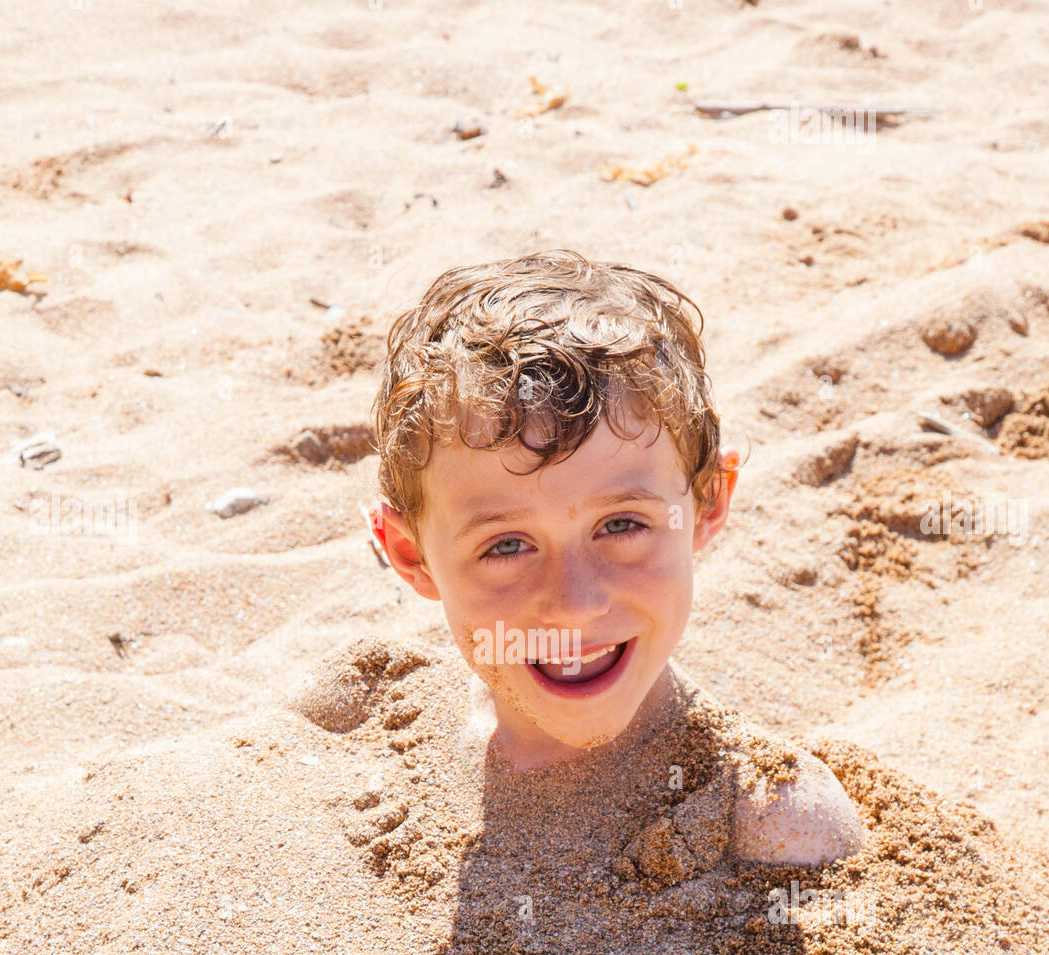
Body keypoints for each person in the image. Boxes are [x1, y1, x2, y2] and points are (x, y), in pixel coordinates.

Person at [367, 249, 862, 867]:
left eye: (622, 524)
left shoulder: (779, 823)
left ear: (707, 503)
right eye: (507, 545)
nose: (576, 605)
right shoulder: (364, 727)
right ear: (410, 555)